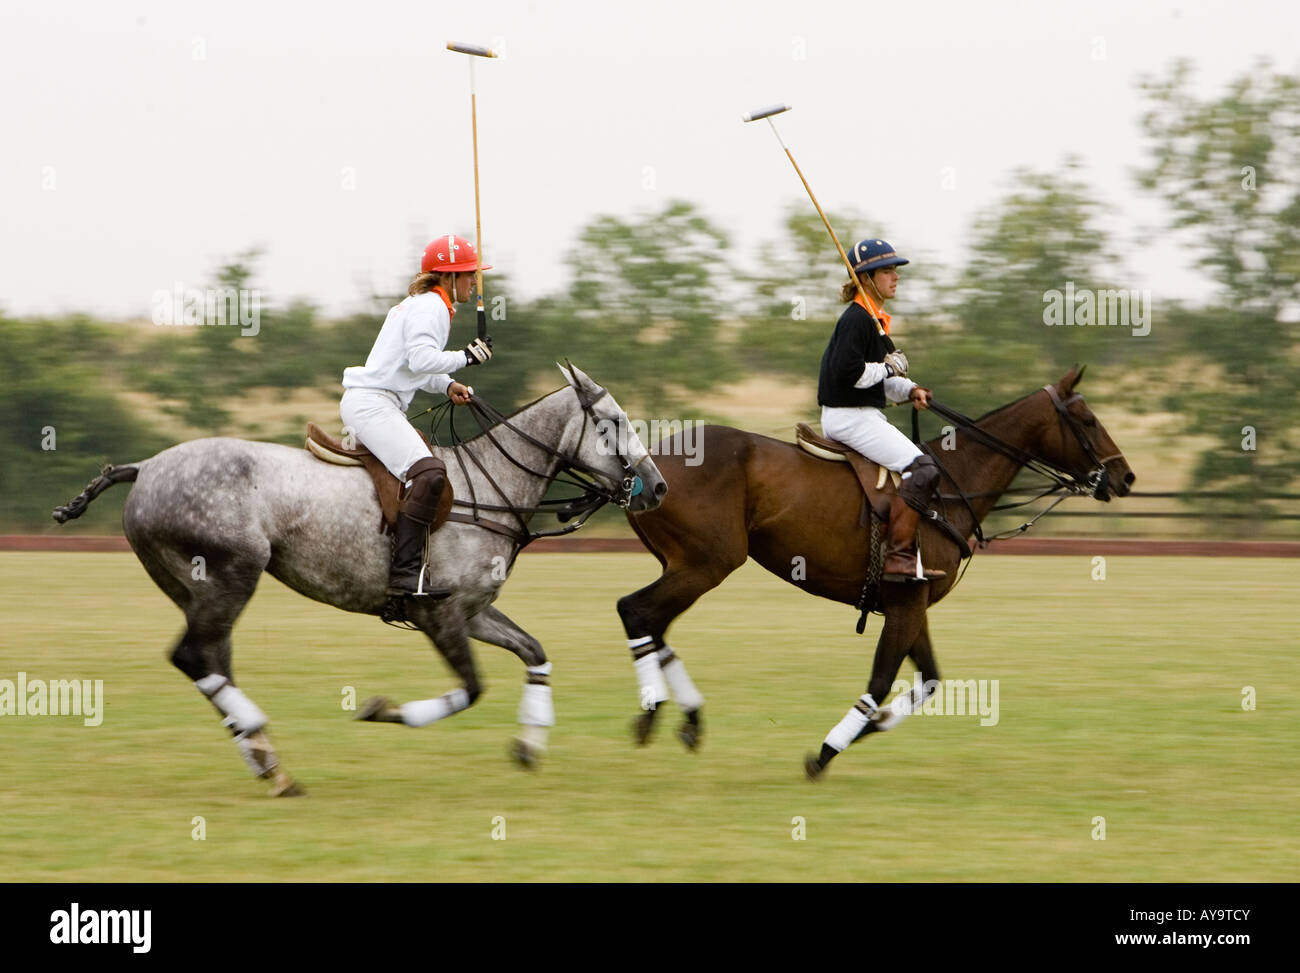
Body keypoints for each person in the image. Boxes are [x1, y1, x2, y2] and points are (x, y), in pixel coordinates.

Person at [340, 234, 494, 598]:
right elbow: (421, 359)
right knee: (429, 473)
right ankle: (406, 576)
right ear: (449, 277)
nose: (474, 282)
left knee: (425, 470)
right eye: (469, 275)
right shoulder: (432, 308)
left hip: (379, 402)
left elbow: (414, 366)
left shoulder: (424, 303)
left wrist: (447, 385)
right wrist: (466, 357)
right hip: (373, 404)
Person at [816, 238, 945, 582]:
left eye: (895, 270)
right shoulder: (856, 319)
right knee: (923, 469)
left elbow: (880, 380)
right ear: (867, 278)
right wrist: (889, 368)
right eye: (887, 270)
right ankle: (900, 557)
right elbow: (854, 374)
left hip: (862, 412)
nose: (895, 277)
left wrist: (910, 388)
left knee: (919, 467)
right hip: (849, 416)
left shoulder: (874, 319)